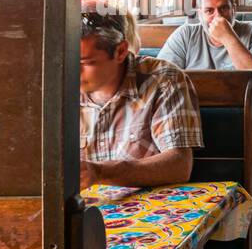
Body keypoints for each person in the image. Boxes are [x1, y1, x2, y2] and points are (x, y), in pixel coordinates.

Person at [80, 10, 203, 191]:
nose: (72, 70)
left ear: (120, 51)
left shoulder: (163, 79)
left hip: (151, 209)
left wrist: (99, 172)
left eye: (85, 63)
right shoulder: (55, 88)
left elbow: (179, 165)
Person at [157, 0, 252, 71]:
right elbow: (161, 76)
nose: (218, 17)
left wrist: (227, 37)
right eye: (209, 11)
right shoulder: (185, 35)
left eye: (223, 8)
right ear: (200, 14)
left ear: (234, 10)